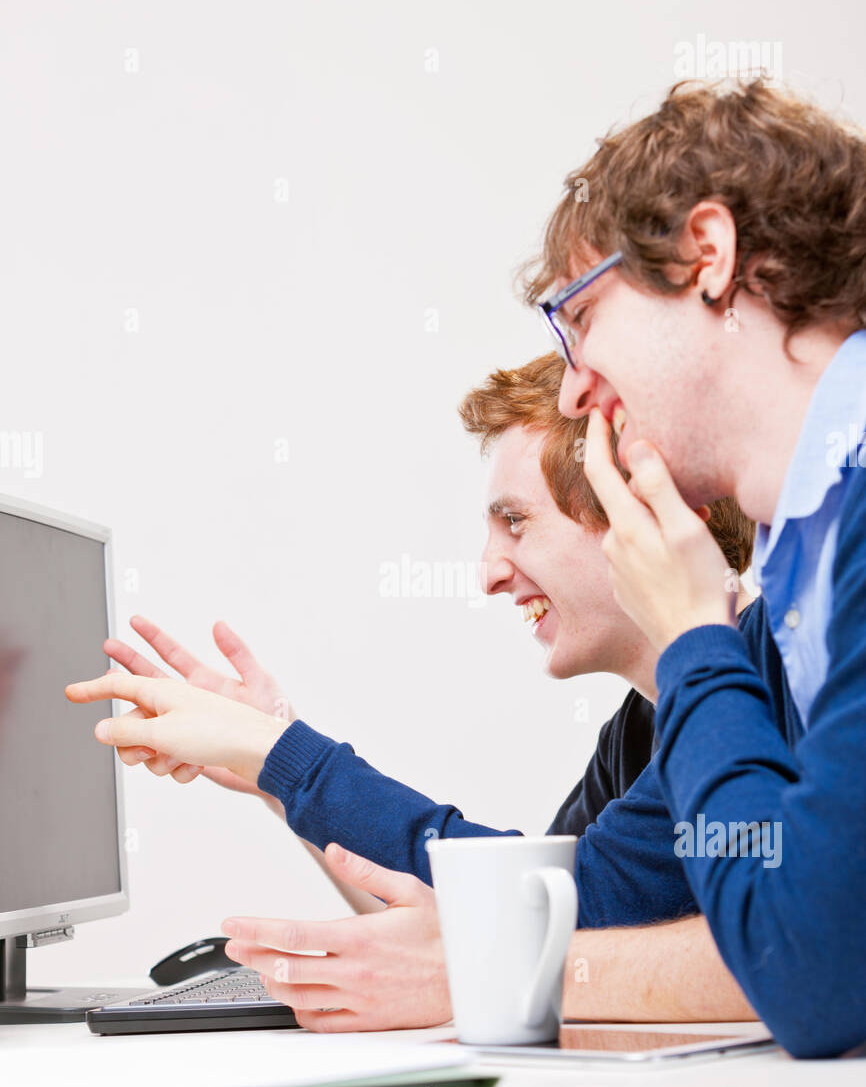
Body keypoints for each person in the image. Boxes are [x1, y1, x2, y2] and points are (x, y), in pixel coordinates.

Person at [67, 353, 765, 1031]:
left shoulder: (765, 678)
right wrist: (274, 776)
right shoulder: (640, 729)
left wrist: (283, 754)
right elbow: (485, 922)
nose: (489, 572)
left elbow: (565, 914)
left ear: (646, 518)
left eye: (515, 522)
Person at [524, 75, 866, 1058]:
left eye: (580, 318)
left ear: (705, 257)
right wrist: (288, 764)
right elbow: (613, 886)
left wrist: (688, 635)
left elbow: (812, 964)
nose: (577, 388)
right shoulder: (801, 562)